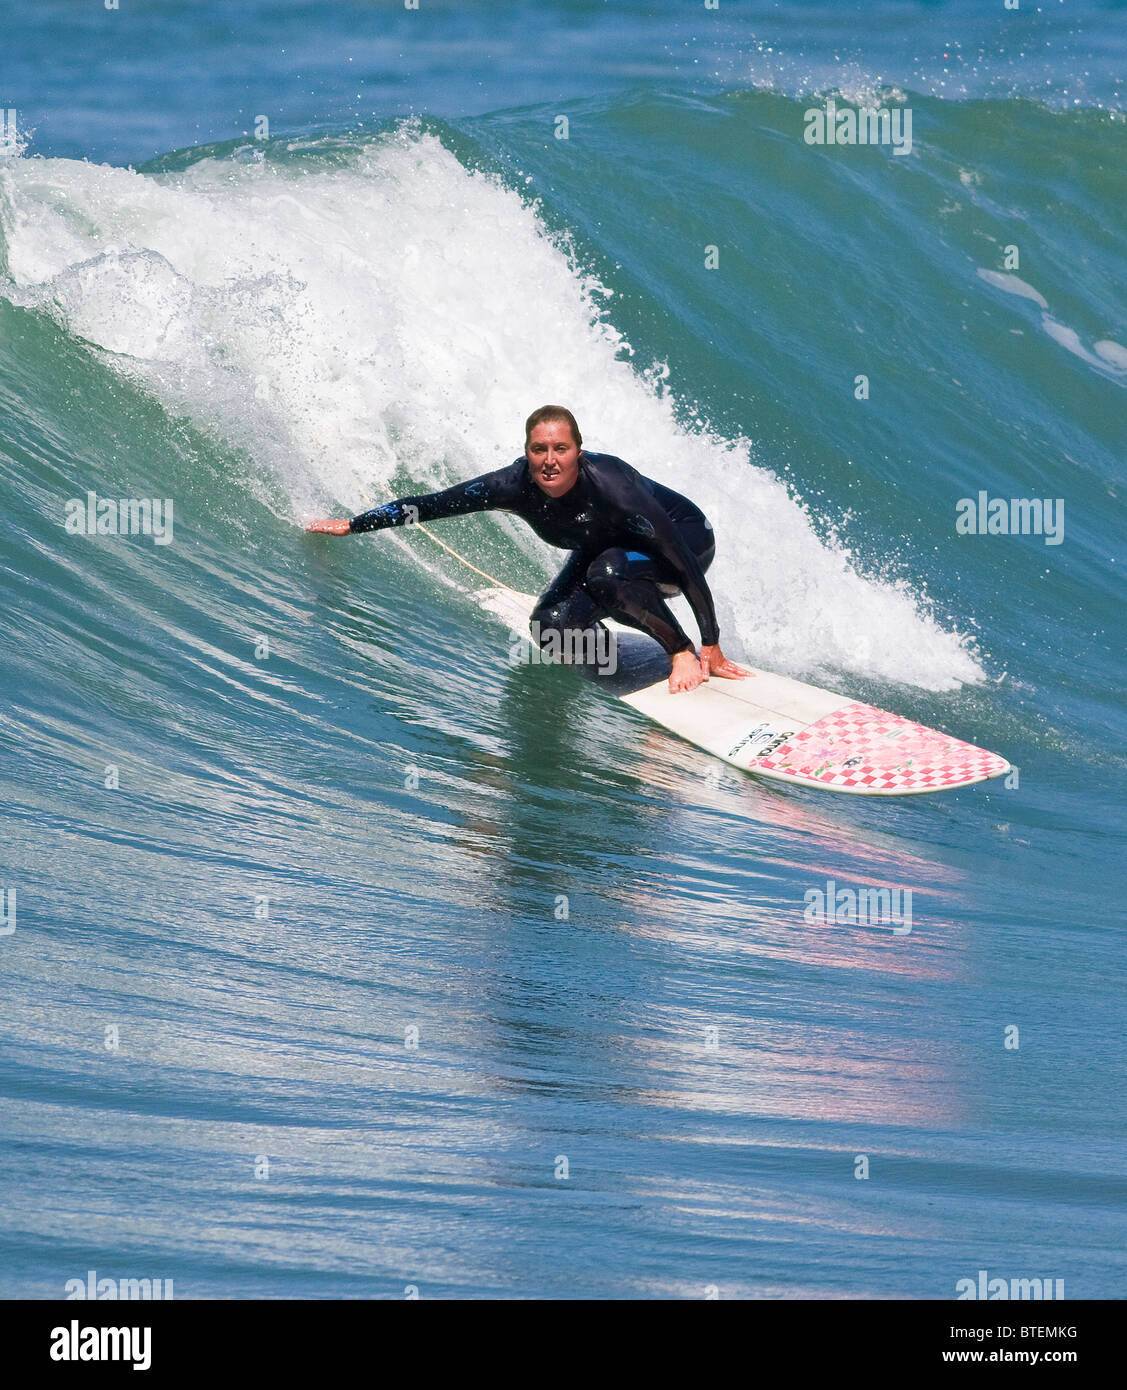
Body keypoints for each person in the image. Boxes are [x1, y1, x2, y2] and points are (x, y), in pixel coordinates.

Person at [307, 406, 752, 694]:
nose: (550, 460)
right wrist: (354, 524)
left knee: (608, 575)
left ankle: (678, 650)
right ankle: (622, 645)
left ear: (580, 452)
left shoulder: (613, 485)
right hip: (609, 552)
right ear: (526, 452)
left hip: (686, 538)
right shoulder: (512, 486)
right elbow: (433, 504)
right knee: (551, 626)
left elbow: (683, 563)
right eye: (539, 449)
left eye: (562, 448)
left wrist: (709, 643)